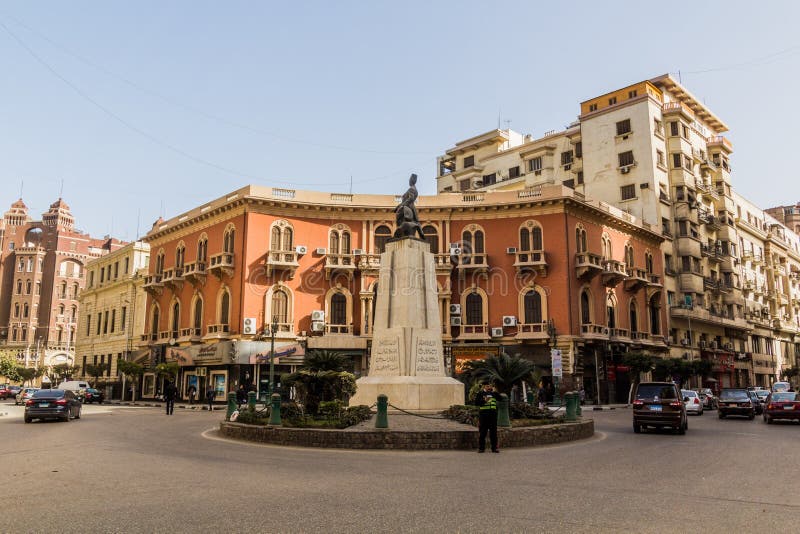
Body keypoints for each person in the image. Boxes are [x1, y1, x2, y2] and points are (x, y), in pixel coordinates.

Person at [474, 382, 499, 453]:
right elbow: (476, 403)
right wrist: (484, 400)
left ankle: (494, 448)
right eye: (487, 386)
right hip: (484, 416)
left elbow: (500, 399)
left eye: (490, 386)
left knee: (493, 433)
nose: (489, 387)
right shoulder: (480, 393)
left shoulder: (494, 393)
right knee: (482, 432)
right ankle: (481, 448)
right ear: (484, 387)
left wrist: (495, 392)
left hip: (493, 416)